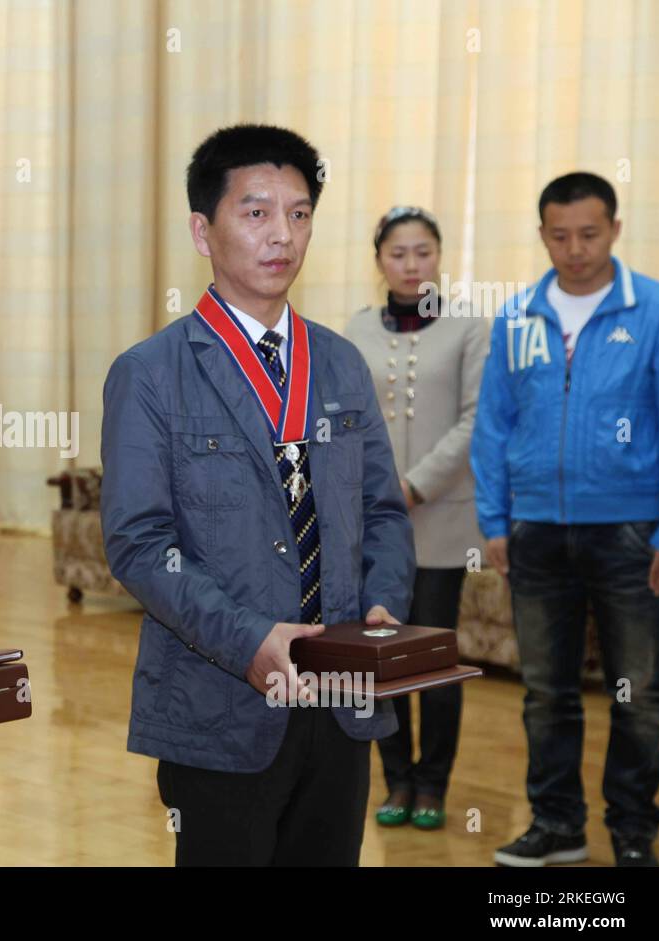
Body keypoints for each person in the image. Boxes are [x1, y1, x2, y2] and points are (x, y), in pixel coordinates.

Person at [100, 124, 415, 866]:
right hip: (220, 705)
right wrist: (250, 641)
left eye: (299, 213)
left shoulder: (339, 364)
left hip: (342, 701)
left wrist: (381, 606)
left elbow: (383, 512)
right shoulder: (151, 373)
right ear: (202, 231)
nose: (282, 235)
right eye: (256, 213)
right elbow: (140, 545)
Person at [472, 172, 659, 867]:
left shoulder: (656, 310)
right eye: (559, 236)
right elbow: (493, 424)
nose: (575, 249)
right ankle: (557, 824)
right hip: (535, 531)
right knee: (545, 692)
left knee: (639, 693)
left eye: (589, 234)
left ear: (615, 230)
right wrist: (495, 520)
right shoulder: (518, 317)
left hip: (631, 534)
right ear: (542, 236)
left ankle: (633, 831)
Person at [345, 207, 488, 831]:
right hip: (371, 527)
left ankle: (433, 783)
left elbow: (476, 419)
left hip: (442, 523)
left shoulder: (469, 326)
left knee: (434, 658)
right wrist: (375, 492)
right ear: (379, 261)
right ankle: (396, 777)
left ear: (439, 256)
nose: (411, 264)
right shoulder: (353, 330)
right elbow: (344, 420)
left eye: (423, 252)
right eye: (398, 253)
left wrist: (416, 484)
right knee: (380, 656)